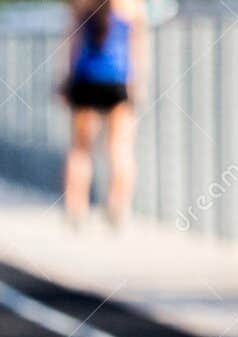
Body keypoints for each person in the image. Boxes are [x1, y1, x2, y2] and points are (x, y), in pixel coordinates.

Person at [61, 0, 146, 229]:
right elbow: (137, 47)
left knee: (80, 148)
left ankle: (75, 208)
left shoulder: (82, 4)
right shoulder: (132, 6)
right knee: (120, 147)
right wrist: (136, 85)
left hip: (85, 79)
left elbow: (74, 44)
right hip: (118, 81)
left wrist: (67, 81)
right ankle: (118, 207)